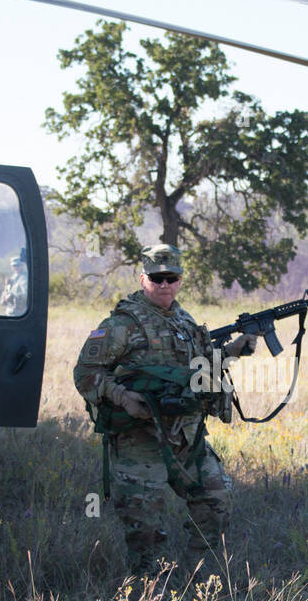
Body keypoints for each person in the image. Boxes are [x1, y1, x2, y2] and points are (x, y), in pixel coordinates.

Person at [73, 243, 256, 576]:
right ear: (143, 278)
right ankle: (144, 595)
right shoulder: (121, 324)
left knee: (216, 500)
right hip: (139, 439)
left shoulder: (185, 321)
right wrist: (122, 396)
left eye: (171, 278)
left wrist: (233, 350)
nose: (164, 285)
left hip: (185, 437)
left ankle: (195, 578)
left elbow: (198, 370)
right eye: (157, 278)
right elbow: (85, 373)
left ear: (180, 279)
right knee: (144, 527)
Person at [1, 247, 28, 315]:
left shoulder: (25, 278)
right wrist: (6, 286)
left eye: (18, 265)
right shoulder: (11, 279)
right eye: (14, 265)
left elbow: (25, 295)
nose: (16, 267)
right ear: (12, 267)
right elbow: (4, 297)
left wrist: (12, 296)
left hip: (20, 314)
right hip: (10, 312)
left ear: (22, 265)